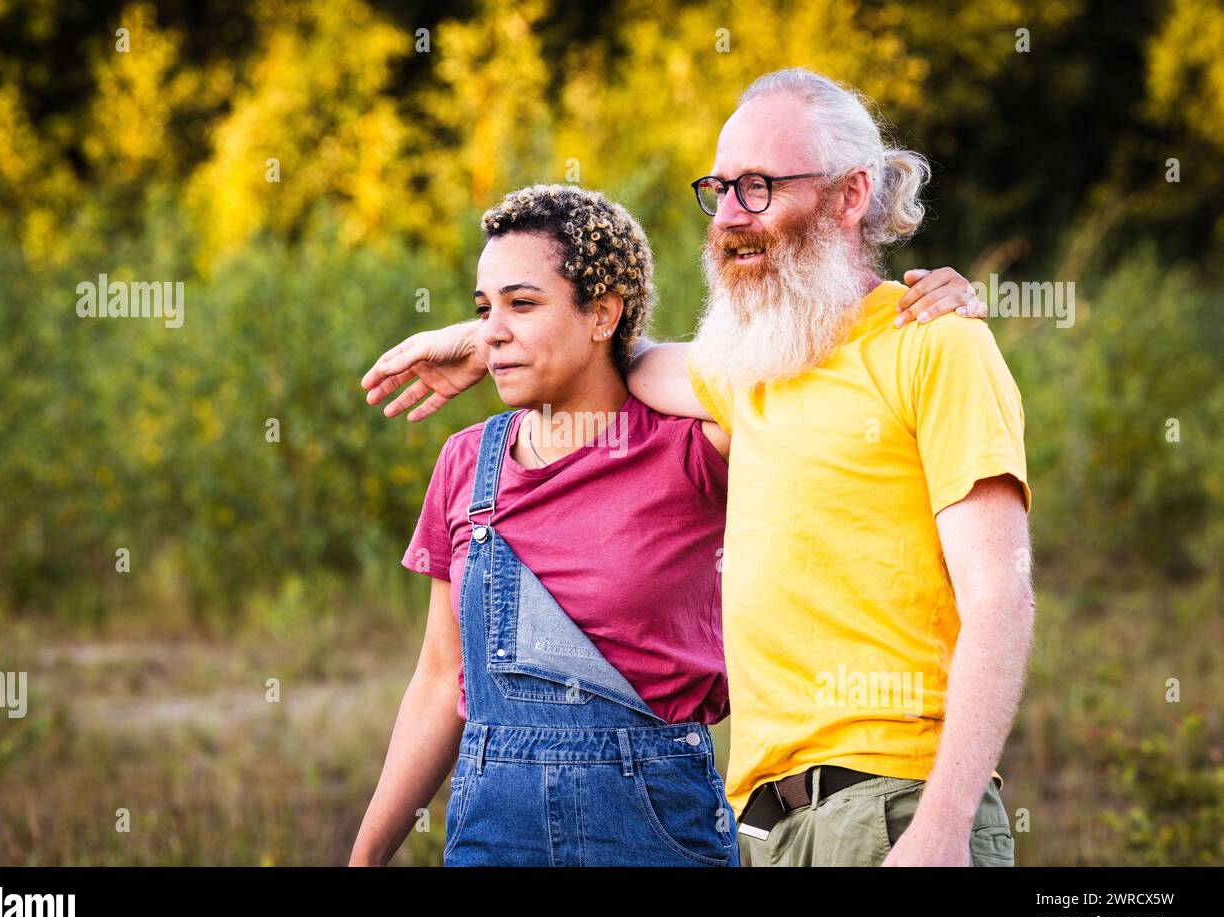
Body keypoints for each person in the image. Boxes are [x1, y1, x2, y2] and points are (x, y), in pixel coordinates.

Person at [350, 180, 984, 866]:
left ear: (603, 315)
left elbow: (816, 377)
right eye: (483, 309)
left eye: (522, 303)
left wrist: (913, 315)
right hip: (491, 834)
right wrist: (364, 859)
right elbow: (442, 684)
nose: (492, 330)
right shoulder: (466, 463)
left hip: (654, 828)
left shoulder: (692, 443)